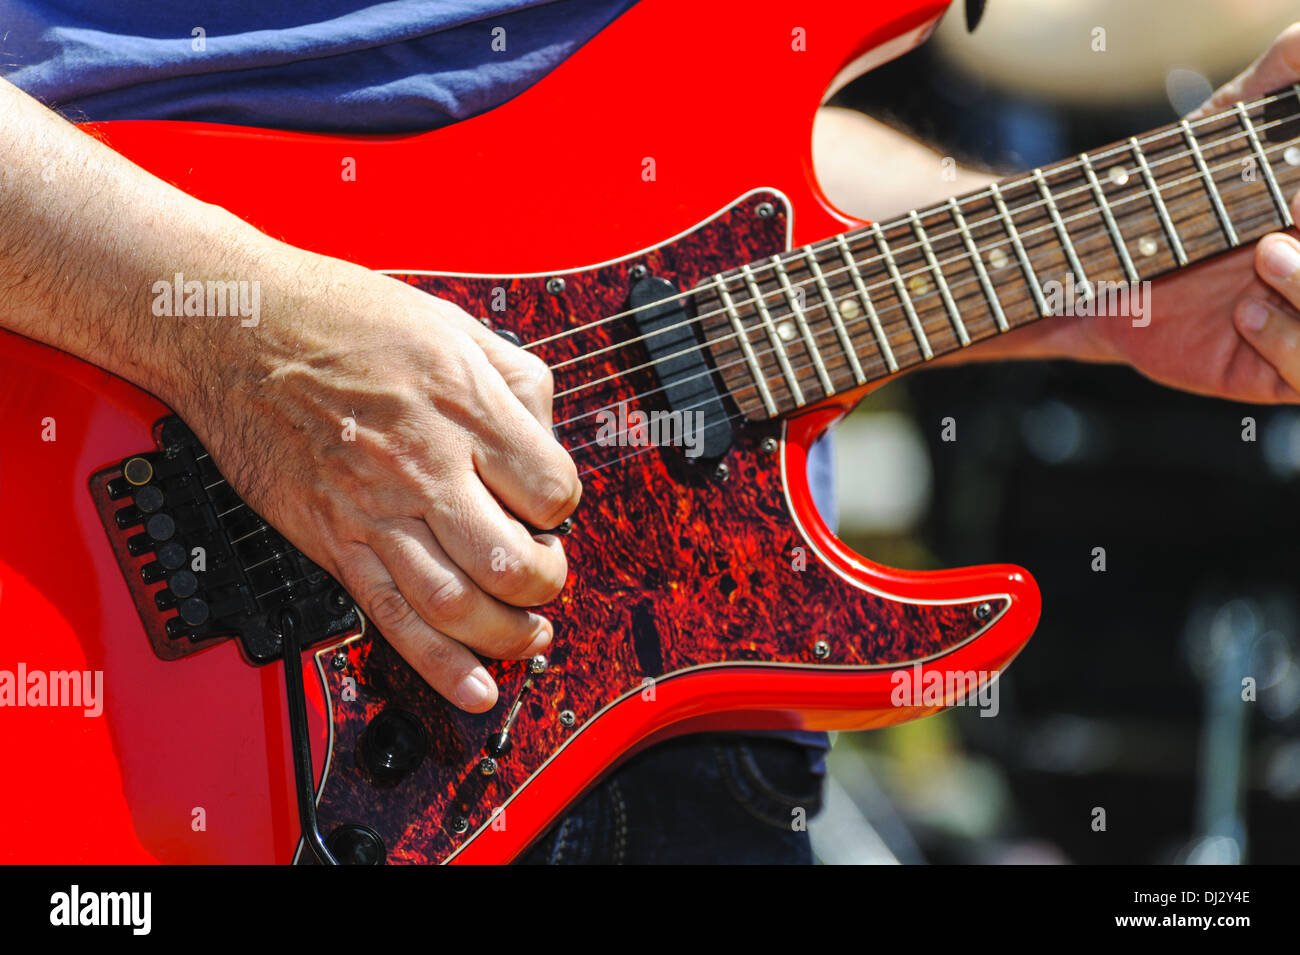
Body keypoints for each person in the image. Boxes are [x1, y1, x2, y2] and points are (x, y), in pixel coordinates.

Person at [2, 2, 1299, 863]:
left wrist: (1103, 284)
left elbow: (718, 180)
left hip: (675, 708)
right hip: (93, 499)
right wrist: (247, 348)